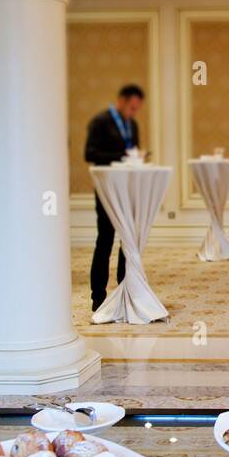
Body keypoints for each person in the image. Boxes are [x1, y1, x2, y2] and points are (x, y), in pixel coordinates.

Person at [84, 84, 144, 311]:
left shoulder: (133, 125)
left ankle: (124, 289)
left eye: (137, 109)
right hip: (107, 189)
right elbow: (90, 154)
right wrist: (121, 155)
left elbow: (133, 150)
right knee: (105, 240)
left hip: (127, 187)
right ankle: (98, 297)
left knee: (127, 240)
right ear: (121, 100)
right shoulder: (101, 122)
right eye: (131, 107)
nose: (133, 112)